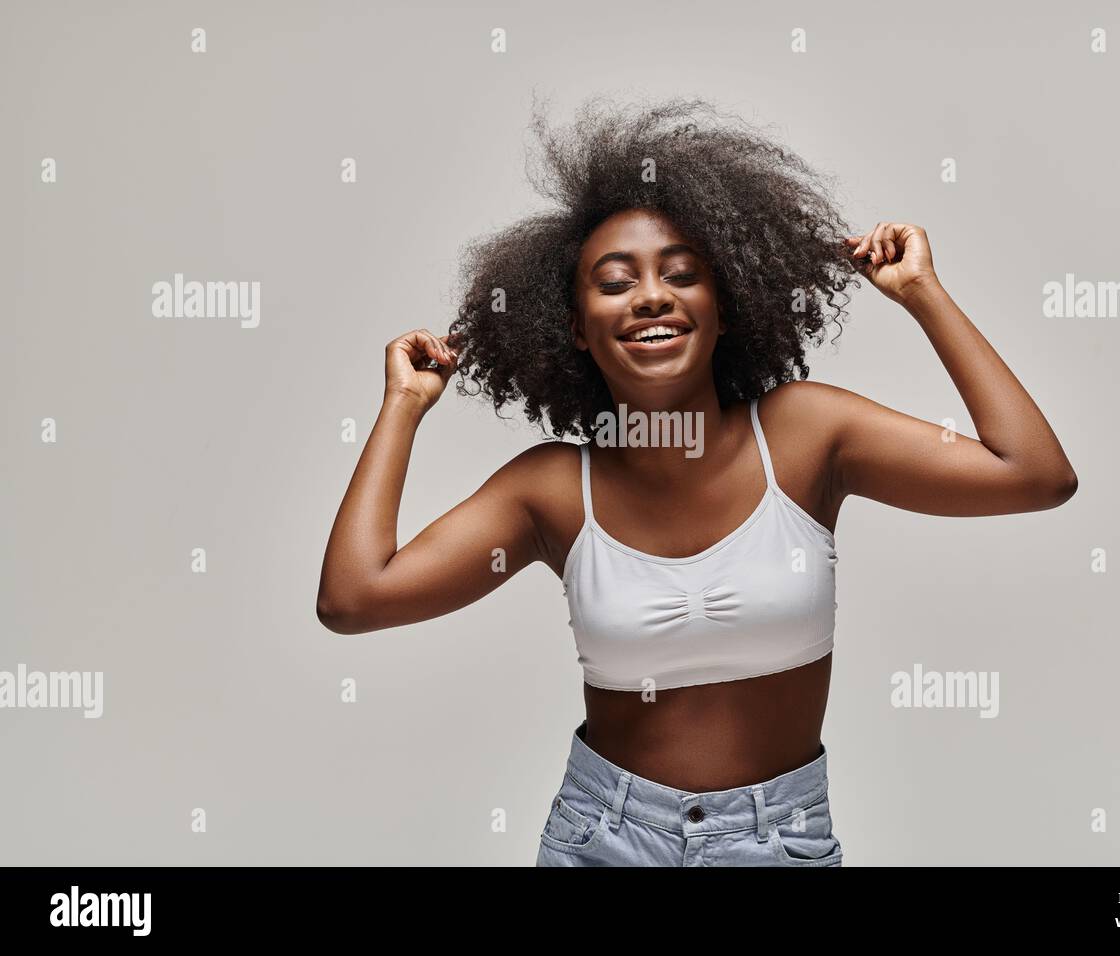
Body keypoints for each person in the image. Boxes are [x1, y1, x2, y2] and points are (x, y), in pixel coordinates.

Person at [315, 96, 1078, 866]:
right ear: (576, 327)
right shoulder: (551, 490)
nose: (650, 296)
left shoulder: (806, 435)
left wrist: (923, 294)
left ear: (725, 307)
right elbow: (353, 599)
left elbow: (1035, 474)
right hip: (601, 838)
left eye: (682, 275)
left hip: (778, 841)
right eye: (615, 283)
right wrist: (402, 409)